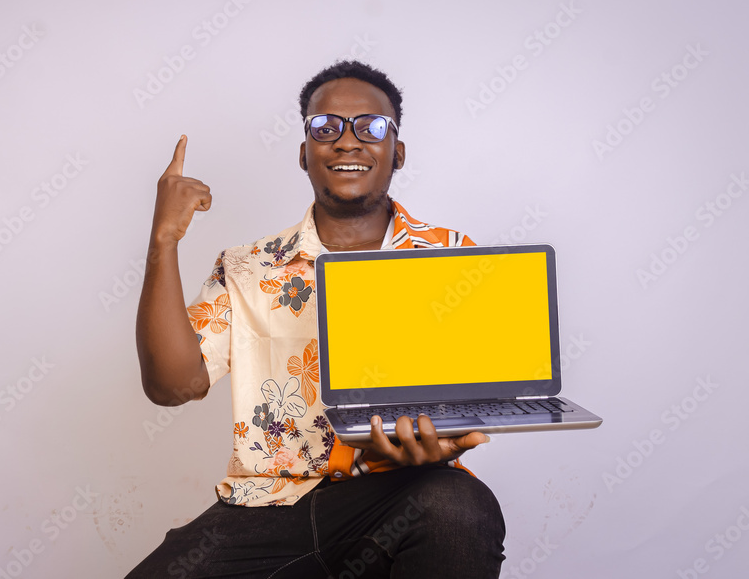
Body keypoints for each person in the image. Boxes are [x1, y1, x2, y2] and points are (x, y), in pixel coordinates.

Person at [130, 61, 505, 578]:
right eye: (325, 126)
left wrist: (441, 444)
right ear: (304, 152)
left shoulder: (452, 259)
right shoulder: (246, 267)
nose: (347, 141)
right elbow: (171, 386)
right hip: (266, 509)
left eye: (371, 127)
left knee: (459, 505)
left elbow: (475, 398)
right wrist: (163, 240)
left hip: (401, 503)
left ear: (397, 151)